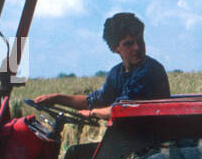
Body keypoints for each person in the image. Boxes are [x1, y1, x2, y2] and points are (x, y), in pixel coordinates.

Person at [36, 12, 170, 119]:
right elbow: (94, 101)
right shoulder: (116, 73)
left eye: (139, 41)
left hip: (153, 138)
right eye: (129, 44)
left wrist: (93, 113)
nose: (137, 48)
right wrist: (57, 98)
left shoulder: (150, 71)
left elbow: (123, 110)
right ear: (114, 48)